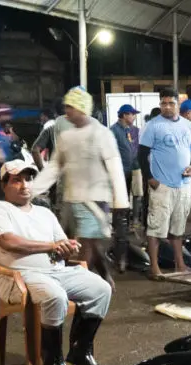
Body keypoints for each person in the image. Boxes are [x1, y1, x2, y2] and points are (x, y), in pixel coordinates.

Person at [0, 160, 112, 365]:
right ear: (4, 186)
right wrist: (50, 246)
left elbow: (60, 242)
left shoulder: (44, 213)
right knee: (55, 296)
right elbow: (7, 241)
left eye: (29, 179)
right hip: (19, 276)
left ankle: (80, 352)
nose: (24, 186)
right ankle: (52, 359)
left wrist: (67, 248)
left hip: (56, 271)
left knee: (101, 289)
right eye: (16, 180)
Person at [32, 87, 130, 287]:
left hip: (94, 199)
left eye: (71, 107)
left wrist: (121, 201)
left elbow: (114, 165)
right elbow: (54, 167)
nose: (67, 111)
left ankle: (80, 286)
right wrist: (32, 189)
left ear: (82, 108)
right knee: (90, 242)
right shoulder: (66, 136)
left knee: (84, 244)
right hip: (71, 198)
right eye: (66, 107)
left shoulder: (101, 133)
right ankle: (105, 278)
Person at [139, 87, 191, 278]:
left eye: (170, 103)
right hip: (162, 185)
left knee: (178, 229)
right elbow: (142, 155)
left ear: (178, 104)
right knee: (156, 229)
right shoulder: (153, 126)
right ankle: (154, 268)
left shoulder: (187, 126)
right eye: (163, 103)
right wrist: (151, 179)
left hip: (183, 185)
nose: (167, 107)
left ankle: (179, 264)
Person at [111, 103, 140, 271]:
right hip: (118, 173)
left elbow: (133, 149)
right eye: (131, 114)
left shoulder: (130, 130)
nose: (134, 117)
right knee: (119, 206)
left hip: (130, 171)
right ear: (123, 115)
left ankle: (125, 224)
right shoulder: (114, 131)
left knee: (128, 201)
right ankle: (118, 228)